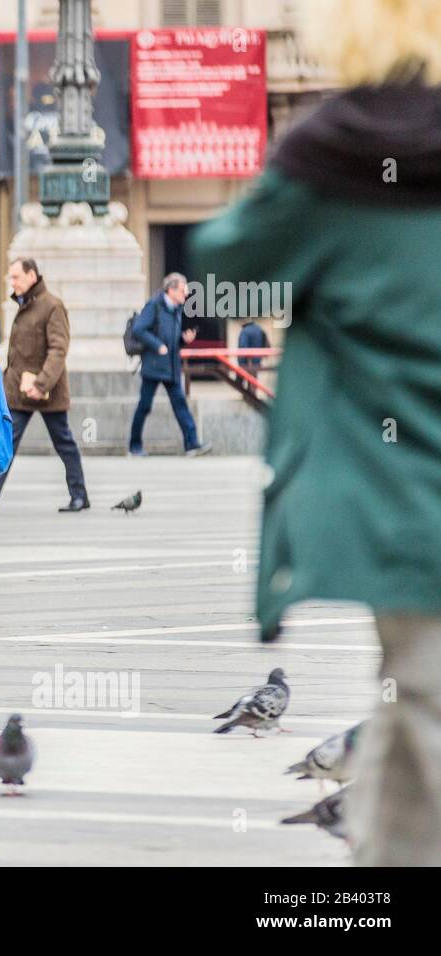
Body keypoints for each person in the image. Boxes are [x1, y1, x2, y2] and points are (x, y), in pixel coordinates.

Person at [190, 0, 441, 865]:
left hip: (403, 495)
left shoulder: (343, 148)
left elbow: (223, 270)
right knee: (419, 715)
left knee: (426, 699)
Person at [0, 258, 89, 513]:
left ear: (31, 276)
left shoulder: (52, 306)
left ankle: (79, 495)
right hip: (20, 390)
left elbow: (58, 349)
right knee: (8, 438)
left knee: (63, 441)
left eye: (16, 277)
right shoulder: (25, 305)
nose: (12, 282)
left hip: (46, 390)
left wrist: (41, 383)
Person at [128, 274, 212, 457]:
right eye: (183, 290)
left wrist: (183, 339)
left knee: (181, 404)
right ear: (171, 290)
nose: (186, 294)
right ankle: (134, 446)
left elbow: (171, 339)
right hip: (154, 366)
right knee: (145, 406)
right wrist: (157, 345)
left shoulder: (176, 308)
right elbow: (139, 329)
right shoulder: (154, 305)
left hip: (171, 366)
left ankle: (192, 444)